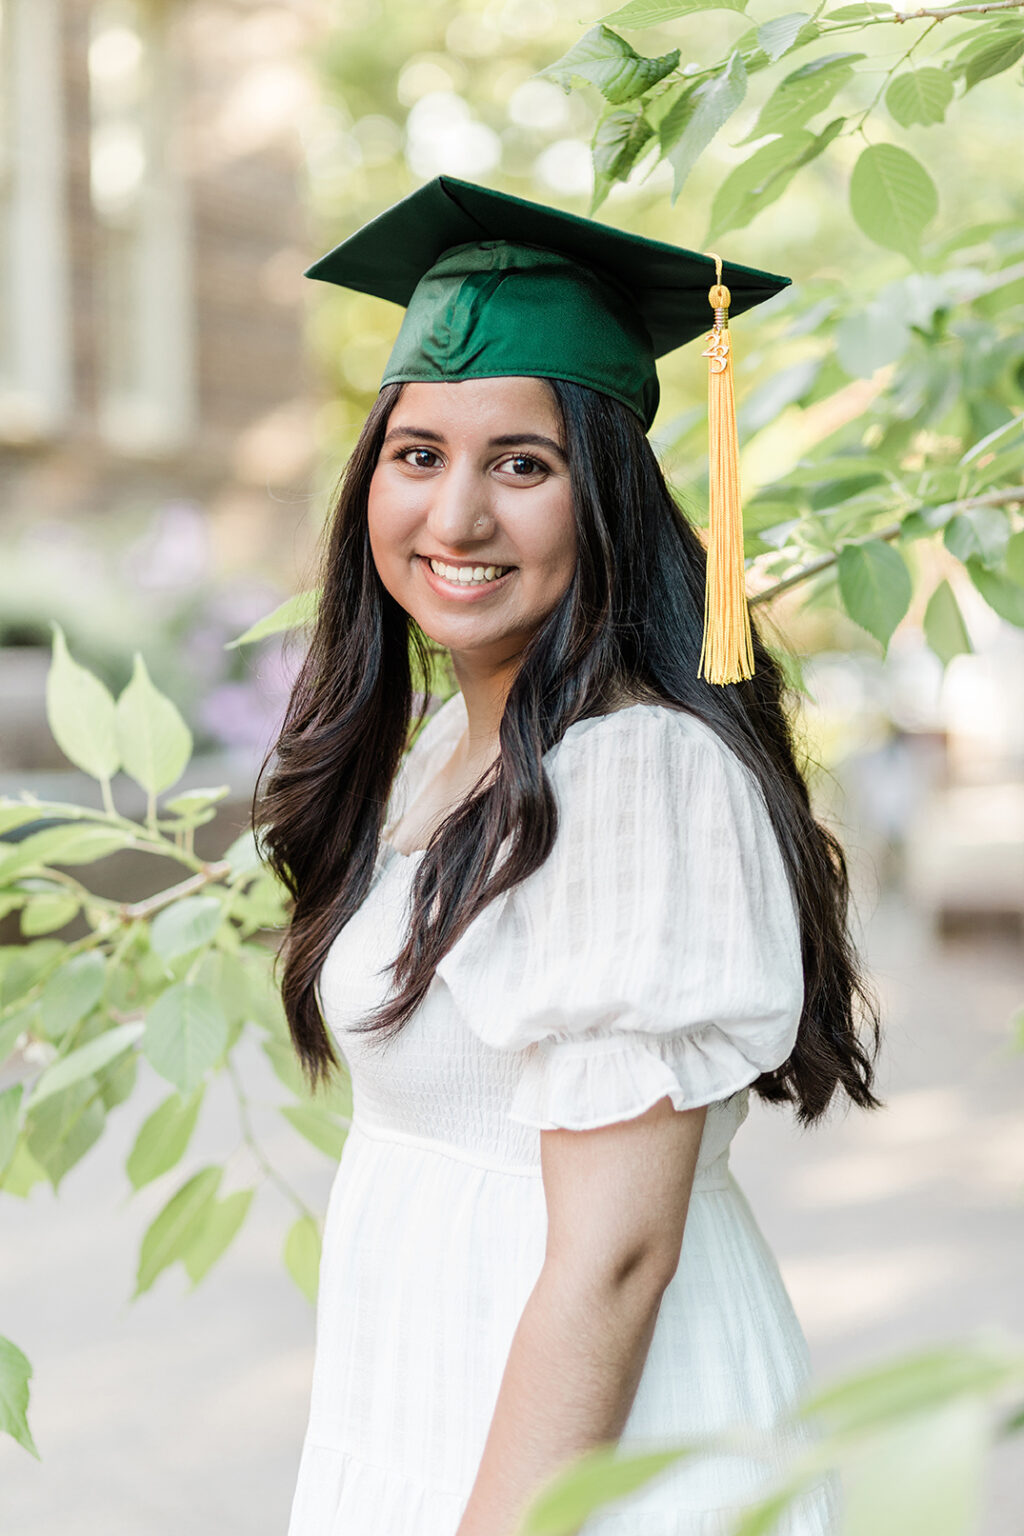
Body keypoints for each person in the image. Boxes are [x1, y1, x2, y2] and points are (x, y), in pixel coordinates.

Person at [257, 176, 882, 1536]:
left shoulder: (634, 771)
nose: (456, 517)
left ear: (604, 499)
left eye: (521, 465)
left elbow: (616, 1253)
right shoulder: (445, 752)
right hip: (439, 1410)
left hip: (589, 1462)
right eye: (418, 454)